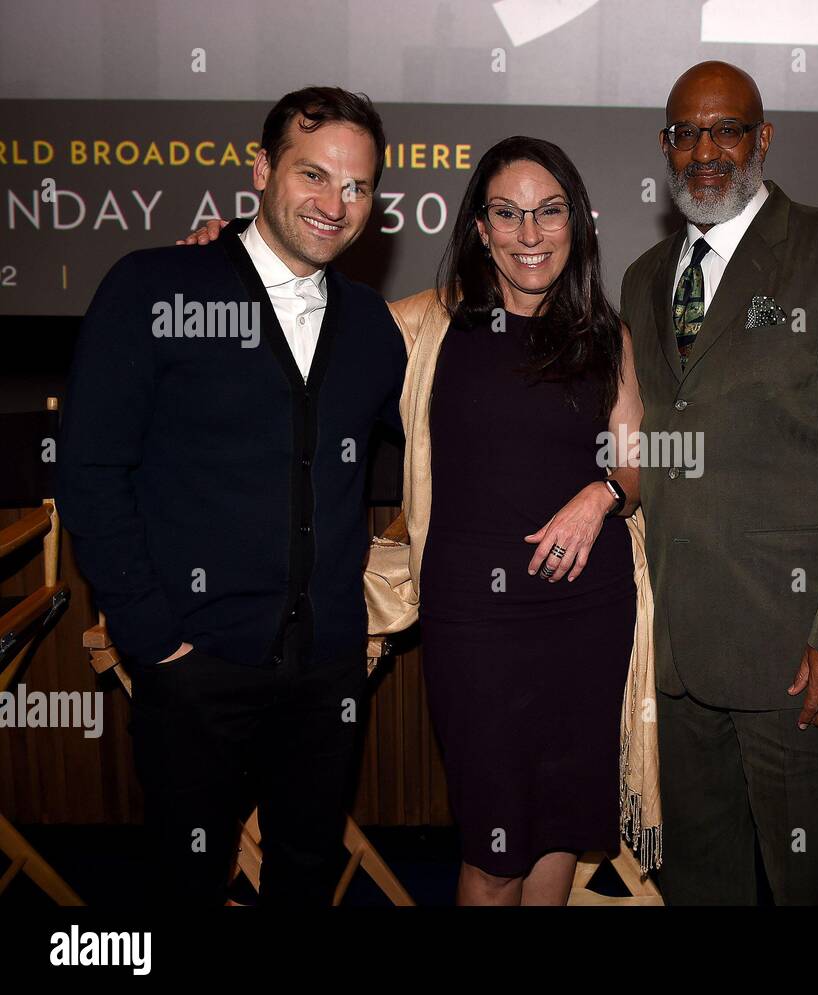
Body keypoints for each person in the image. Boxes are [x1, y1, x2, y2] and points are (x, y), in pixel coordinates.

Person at [183, 135, 653, 906]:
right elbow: (294, 307)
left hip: (589, 613)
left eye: (549, 213)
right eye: (507, 214)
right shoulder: (424, 327)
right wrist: (220, 256)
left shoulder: (609, 337)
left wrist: (603, 492)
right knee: (495, 845)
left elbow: (635, 464)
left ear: (578, 223)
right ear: (479, 228)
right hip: (478, 619)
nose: (529, 235)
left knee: (563, 825)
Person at [58, 87, 409, 905]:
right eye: (313, 176)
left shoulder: (370, 327)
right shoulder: (155, 286)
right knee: (185, 882)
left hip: (327, 673)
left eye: (357, 187)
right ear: (260, 169)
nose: (335, 204)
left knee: (305, 875)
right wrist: (156, 639)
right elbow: (89, 472)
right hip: (194, 668)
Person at [619, 61, 818, 905]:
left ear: (764, 139)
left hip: (800, 656)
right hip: (680, 656)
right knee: (703, 885)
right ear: (665, 146)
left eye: (728, 130)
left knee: (813, 887)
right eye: (688, 133)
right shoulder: (645, 277)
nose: (707, 150)